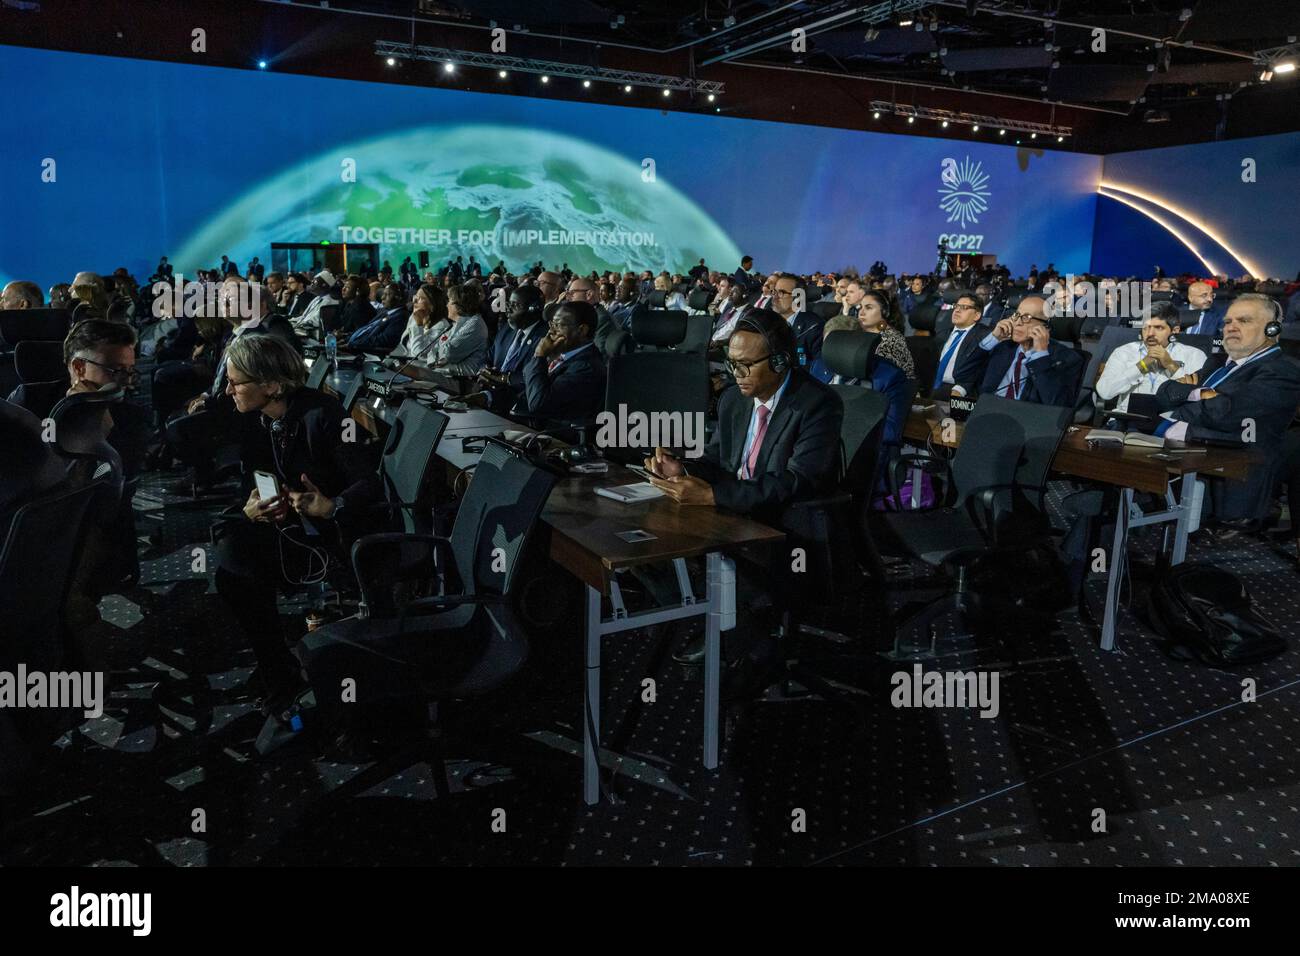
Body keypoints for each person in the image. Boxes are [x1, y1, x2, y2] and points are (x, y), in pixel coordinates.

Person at [644, 309, 843, 687]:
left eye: (745, 365)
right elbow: (719, 460)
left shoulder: (817, 404)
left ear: (782, 361)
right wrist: (683, 471)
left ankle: (744, 638)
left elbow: (799, 482)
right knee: (652, 541)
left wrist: (715, 494)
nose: (735, 374)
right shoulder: (734, 400)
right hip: (736, 515)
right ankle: (712, 620)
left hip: (787, 530)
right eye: (731, 364)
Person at [213, 335, 380, 717]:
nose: (228, 390)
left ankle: (280, 673)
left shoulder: (325, 415)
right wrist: (253, 505)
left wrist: (332, 504)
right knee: (234, 559)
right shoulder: (262, 419)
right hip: (296, 526)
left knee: (236, 572)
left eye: (236, 382)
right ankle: (279, 670)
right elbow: (257, 478)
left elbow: (369, 483)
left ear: (271, 385)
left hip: (333, 536)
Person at [1152, 294, 1300, 522]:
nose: (1231, 327)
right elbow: (1165, 393)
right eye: (1228, 322)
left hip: (1222, 465)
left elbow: (1227, 414)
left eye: (1244, 321)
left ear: (1271, 329)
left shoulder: (1281, 371)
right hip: (1175, 448)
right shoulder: (1216, 363)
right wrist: (1204, 394)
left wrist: (1182, 407)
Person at [953, 294, 1085, 406]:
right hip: (987, 413)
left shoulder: (1067, 358)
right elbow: (962, 375)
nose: (1018, 322)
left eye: (1026, 318)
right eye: (1017, 315)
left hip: (1026, 423)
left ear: (1046, 327)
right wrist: (993, 338)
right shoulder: (1003, 347)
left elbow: (1058, 404)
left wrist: (1040, 356)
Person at [1094, 304, 1206, 413]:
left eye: (1159, 328)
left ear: (1175, 330)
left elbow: (1199, 397)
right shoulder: (1124, 352)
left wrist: (1171, 365)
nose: (1150, 333)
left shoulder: (1194, 355)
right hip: (1127, 418)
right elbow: (1104, 392)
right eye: (1145, 328)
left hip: (1170, 421)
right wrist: (1141, 366)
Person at [517, 300, 605, 423]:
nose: (551, 332)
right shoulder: (562, 354)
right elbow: (528, 385)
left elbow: (539, 404)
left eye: (558, 325)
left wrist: (539, 356)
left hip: (552, 435)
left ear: (582, 330)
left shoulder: (586, 367)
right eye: (551, 325)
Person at [845, 284, 914, 379]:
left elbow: (881, 378)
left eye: (868, 308)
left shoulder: (891, 340)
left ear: (884, 312)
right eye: (860, 307)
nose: (861, 312)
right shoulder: (864, 333)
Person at [930, 291, 990, 395]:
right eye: (956, 306)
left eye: (964, 307)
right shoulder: (942, 334)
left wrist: (961, 389)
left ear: (976, 315)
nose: (957, 310)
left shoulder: (982, 337)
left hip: (957, 389)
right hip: (931, 385)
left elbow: (978, 370)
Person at [431, 284, 489, 376]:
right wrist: (438, 358)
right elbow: (434, 349)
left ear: (459, 304)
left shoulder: (475, 324)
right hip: (445, 373)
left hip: (463, 381)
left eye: (449, 301)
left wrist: (442, 356)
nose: (446, 305)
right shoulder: (456, 324)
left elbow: (450, 353)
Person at [390, 283, 448, 362]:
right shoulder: (414, 317)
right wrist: (390, 361)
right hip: (403, 365)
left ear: (432, 305)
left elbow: (418, 353)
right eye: (415, 297)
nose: (415, 300)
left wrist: (418, 325)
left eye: (420, 298)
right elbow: (402, 346)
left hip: (422, 370)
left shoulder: (442, 326)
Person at [346, 284, 408, 353]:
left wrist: (355, 343)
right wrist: (346, 338)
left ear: (399, 298)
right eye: (383, 294)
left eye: (387, 294)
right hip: (355, 344)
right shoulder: (383, 311)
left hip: (365, 351)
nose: (382, 297)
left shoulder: (401, 317)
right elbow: (366, 329)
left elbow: (383, 340)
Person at [289, 271, 339, 339]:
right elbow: (304, 316)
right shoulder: (317, 298)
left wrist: (298, 324)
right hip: (303, 329)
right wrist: (290, 321)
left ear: (324, 284)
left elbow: (316, 321)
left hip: (313, 334)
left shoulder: (330, 301)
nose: (311, 283)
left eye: (315, 282)